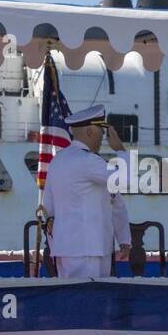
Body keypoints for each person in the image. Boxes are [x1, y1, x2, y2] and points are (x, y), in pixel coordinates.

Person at [43, 105, 131, 279]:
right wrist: (121, 150)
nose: (103, 139)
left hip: (67, 247)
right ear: (90, 132)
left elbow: (114, 202)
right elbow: (125, 180)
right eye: (101, 132)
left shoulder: (58, 160)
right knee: (88, 300)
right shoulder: (88, 161)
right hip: (88, 248)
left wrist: (124, 239)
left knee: (71, 300)